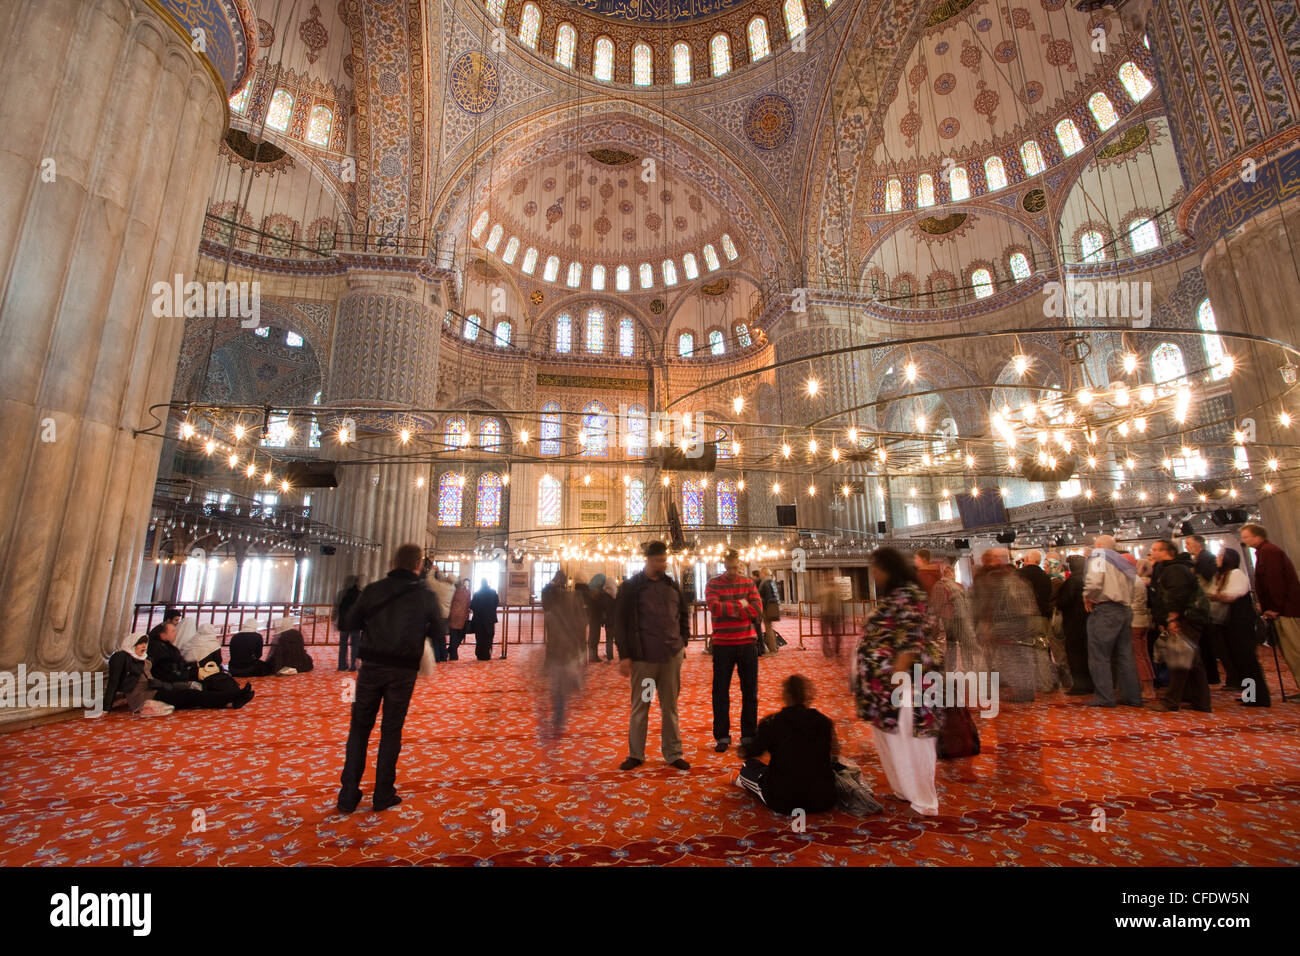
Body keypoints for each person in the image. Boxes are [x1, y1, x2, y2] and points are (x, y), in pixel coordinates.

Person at [337, 543, 444, 813]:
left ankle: (348, 794)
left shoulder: (374, 590)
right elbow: (440, 636)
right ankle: (383, 793)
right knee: (391, 731)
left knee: (359, 729)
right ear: (419, 565)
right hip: (403, 671)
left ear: (393, 562)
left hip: (371, 667)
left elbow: (347, 623)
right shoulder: (424, 595)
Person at [852, 547, 942, 816]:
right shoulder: (894, 597)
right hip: (884, 691)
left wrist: (897, 679)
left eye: (877, 569)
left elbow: (912, 640)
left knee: (912, 741)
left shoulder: (909, 596)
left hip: (907, 687)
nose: (874, 575)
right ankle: (905, 789)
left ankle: (925, 801)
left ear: (888, 570)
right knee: (892, 739)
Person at [611, 541, 691, 771]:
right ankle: (636, 754)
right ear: (647, 559)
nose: (663, 564)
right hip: (645, 660)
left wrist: (683, 640)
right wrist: (624, 655)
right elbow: (621, 624)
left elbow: (683, 615)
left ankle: (673, 753)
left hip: (670, 659)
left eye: (664, 560)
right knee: (642, 706)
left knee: (670, 707)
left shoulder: (671, 586)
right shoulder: (632, 587)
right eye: (658, 560)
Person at [735, 674, 839, 815]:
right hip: (823, 798)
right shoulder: (824, 721)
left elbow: (752, 752)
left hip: (782, 799)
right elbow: (835, 754)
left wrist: (742, 750)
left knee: (748, 767)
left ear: (786, 695)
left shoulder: (772, 722)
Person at [102, 633, 254, 715]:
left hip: (156, 690)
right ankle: (234, 696)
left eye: (144, 644)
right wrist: (105, 709)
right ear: (131, 645)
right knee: (191, 696)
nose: (143, 647)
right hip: (144, 697)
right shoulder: (122, 658)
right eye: (140, 644)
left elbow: (156, 679)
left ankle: (232, 699)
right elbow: (113, 683)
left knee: (193, 694)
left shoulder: (145, 661)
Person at [706, 549, 763, 753]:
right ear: (724, 564)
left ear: (739, 564)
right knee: (720, 692)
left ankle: (749, 735)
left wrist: (729, 607)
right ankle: (722, 735)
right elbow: (715, 608)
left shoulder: (748, 583)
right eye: (728, 567)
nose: (731, 571)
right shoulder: (713, 583)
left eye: (734, 567)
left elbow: (757, 610)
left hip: (747, 644)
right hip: (723, 645)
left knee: (750, 692)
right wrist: (742, 604)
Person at [1148, 539, 1212, 712]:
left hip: (1186, 619)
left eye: (1155, 549)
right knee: (1191, 660)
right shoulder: (1170, 568)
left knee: (1180, 660)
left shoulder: (1175, 570)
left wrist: (1173, 618)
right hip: (1186, 618)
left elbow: (1177, 595)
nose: (1151, 552)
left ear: (1167, 552)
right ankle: (1200, 701)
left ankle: (1172, 700)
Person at [971, 548, 1038, 702]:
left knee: (1000, 658)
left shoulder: (989, 577)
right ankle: (1025, 691)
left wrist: (982, 623)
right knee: (1020, 657)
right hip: (1022, 621)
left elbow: (984, 603)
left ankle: (993, 690)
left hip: (999, 623)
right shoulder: (1015, 576)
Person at [1082, 535, 1141, 708]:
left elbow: (1094, 581)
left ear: (1099, 545)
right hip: (1124, 609)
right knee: (1125, 656)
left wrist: (1087, 597)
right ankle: (1133, 697)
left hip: (1106, 610)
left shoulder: (1099, 556)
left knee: (1100, 656)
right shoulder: (1122, 562)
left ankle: (1105, 697)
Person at [1240, 523, 1300, 691]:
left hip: (1286, 610)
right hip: (1284, 608)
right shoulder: (1265, 552)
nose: (1243, 540)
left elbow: (1275, 583)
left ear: (1257, 536)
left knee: (1295, 650)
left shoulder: (1270, 552)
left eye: (1246, 536)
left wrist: (1274, 607)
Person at [1209, 547, 1270, 706]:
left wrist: (1214, 595)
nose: (1217, 558)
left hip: (1240, 624)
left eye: (1220, 555)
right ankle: (1249, 695)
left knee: (1247, 661)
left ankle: (1258, 697)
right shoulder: (1223, 575)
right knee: (1240, 661)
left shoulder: (1236, 574)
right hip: (1232, 624)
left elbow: (1232, 595)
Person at [540, 570, 588, 741]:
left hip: (560, 649)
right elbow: (581, 624)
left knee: (558, 686)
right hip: (565, 649)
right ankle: (559, 714)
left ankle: (559, 715)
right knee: (561, 684)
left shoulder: (553, 604)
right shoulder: (568, 600)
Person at [930, 562, 978, 672]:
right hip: (955, 617)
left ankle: (955, 666)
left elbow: (937, 605)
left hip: (952, 617)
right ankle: (965, 666)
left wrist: (936, 619)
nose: (953, 574)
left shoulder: (944, 585)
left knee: (953, 643)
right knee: (960, 642)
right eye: (951, 572)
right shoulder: (950, 585)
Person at [1054, 555, 1092, 694]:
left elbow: (1064, 602)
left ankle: (1080, 685)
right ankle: (1090, 683)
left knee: (1075, 655)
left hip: (1073, 622)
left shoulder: (1071, 581)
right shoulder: (1087, 579)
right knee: (1087, 653)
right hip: (1088, 620)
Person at [1130, 558, 1156, 699]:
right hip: (1142, 620)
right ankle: (1149, 687)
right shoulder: (1138, 581)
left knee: (1139, 656)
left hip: (1134, 622)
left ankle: (1147, 689)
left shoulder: (1132, 581)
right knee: (1144, 656)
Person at [146, 618, 196, 685]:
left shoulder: (168, 647)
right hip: (168, 684)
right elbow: (167, 672)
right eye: (173, 631)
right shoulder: (158, 649)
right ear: (163, 635)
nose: (176, 633)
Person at [335, 575, 363, 672]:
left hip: (344, 622)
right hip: (355, 623)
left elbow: (337, 607)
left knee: (343, 645)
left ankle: (342, 665)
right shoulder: (360, 594)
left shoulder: (341, 593)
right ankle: (353, 666)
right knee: (355, 645)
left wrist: (334, 618)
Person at [586, 573, 616, 662]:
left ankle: (593, 656)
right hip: (596, 619)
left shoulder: (593, 595)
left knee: (594, 637)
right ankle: (593, 656)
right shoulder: (596, 595)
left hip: (596, 619)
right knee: (594, 637)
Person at [469, 579, 500, 661]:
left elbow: (472, 606)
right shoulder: (493, 592)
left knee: (479, 637)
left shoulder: (477, 593)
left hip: (479, 619)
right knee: (489, 636)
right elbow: (496, 603)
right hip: (490, 618)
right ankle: (487, 654)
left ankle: (479, 655)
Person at [429, 569, 455, 663]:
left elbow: (430, 581)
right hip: (446, 615)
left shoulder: (441, 587)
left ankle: (437, 657)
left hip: (438, 615)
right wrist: (439, 572)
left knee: (436, 637)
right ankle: (443, 656)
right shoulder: (452, 588)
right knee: (442, 637)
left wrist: (432, 570)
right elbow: (442, 580)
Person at [758, 568, 783, 654]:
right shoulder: (771, 581)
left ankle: (772, 649)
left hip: (768, 608)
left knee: (768, 628)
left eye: (761, 573)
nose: (760, 575)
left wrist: (762, 607)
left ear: (764, 573)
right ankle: (774, 647)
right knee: (770, 628)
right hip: (772, 606)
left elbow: (768, 597)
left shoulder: (766, 582)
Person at [448, 578, 471, 660]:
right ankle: (452, 652)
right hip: (462, 616)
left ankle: (452, 653)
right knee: (460, 635)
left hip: (453, 615)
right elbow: (469, 603)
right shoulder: (467, 592)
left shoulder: (453, 591)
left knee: (453, 635)